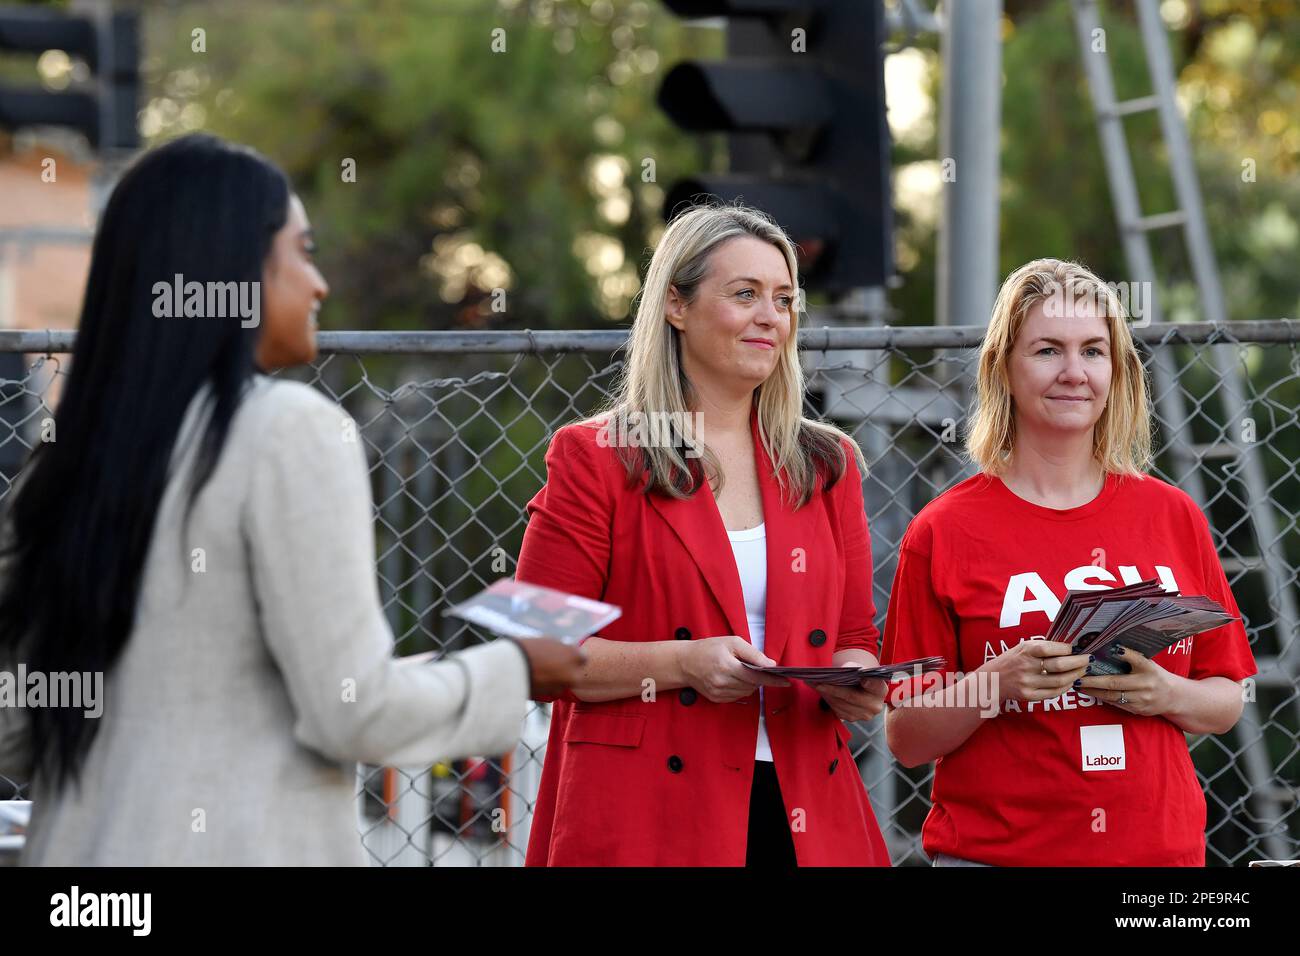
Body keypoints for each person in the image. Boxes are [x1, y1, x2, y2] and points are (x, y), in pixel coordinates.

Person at [0, 133, 583, 865]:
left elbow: (19, 726)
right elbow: (352, 710)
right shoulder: (289, 432)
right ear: (234, 269)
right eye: (302, 252)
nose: (320, 285)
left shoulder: (66, 461)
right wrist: (519, 671)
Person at [515, 203, 893, 866]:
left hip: (803, 806)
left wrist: (854, 677)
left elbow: (853, 640)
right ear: (675, 306)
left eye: (782, 299)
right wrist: (681, 664)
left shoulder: (826, 465)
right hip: (646, 815)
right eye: (744, 294)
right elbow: (535, 652)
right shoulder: (597, 455)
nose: (770, 317)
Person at [881, 258, 1256, 866]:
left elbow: (1227, 696)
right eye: (1048, 350)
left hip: (1157, 865)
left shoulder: (1172, 514)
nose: (1074, 373)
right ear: (1004, 367)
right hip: (999, 857)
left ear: (1117, 369)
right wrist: (993, 685)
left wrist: (1164, 692)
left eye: (1093, 351)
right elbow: (906, 736)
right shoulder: (943, 530)